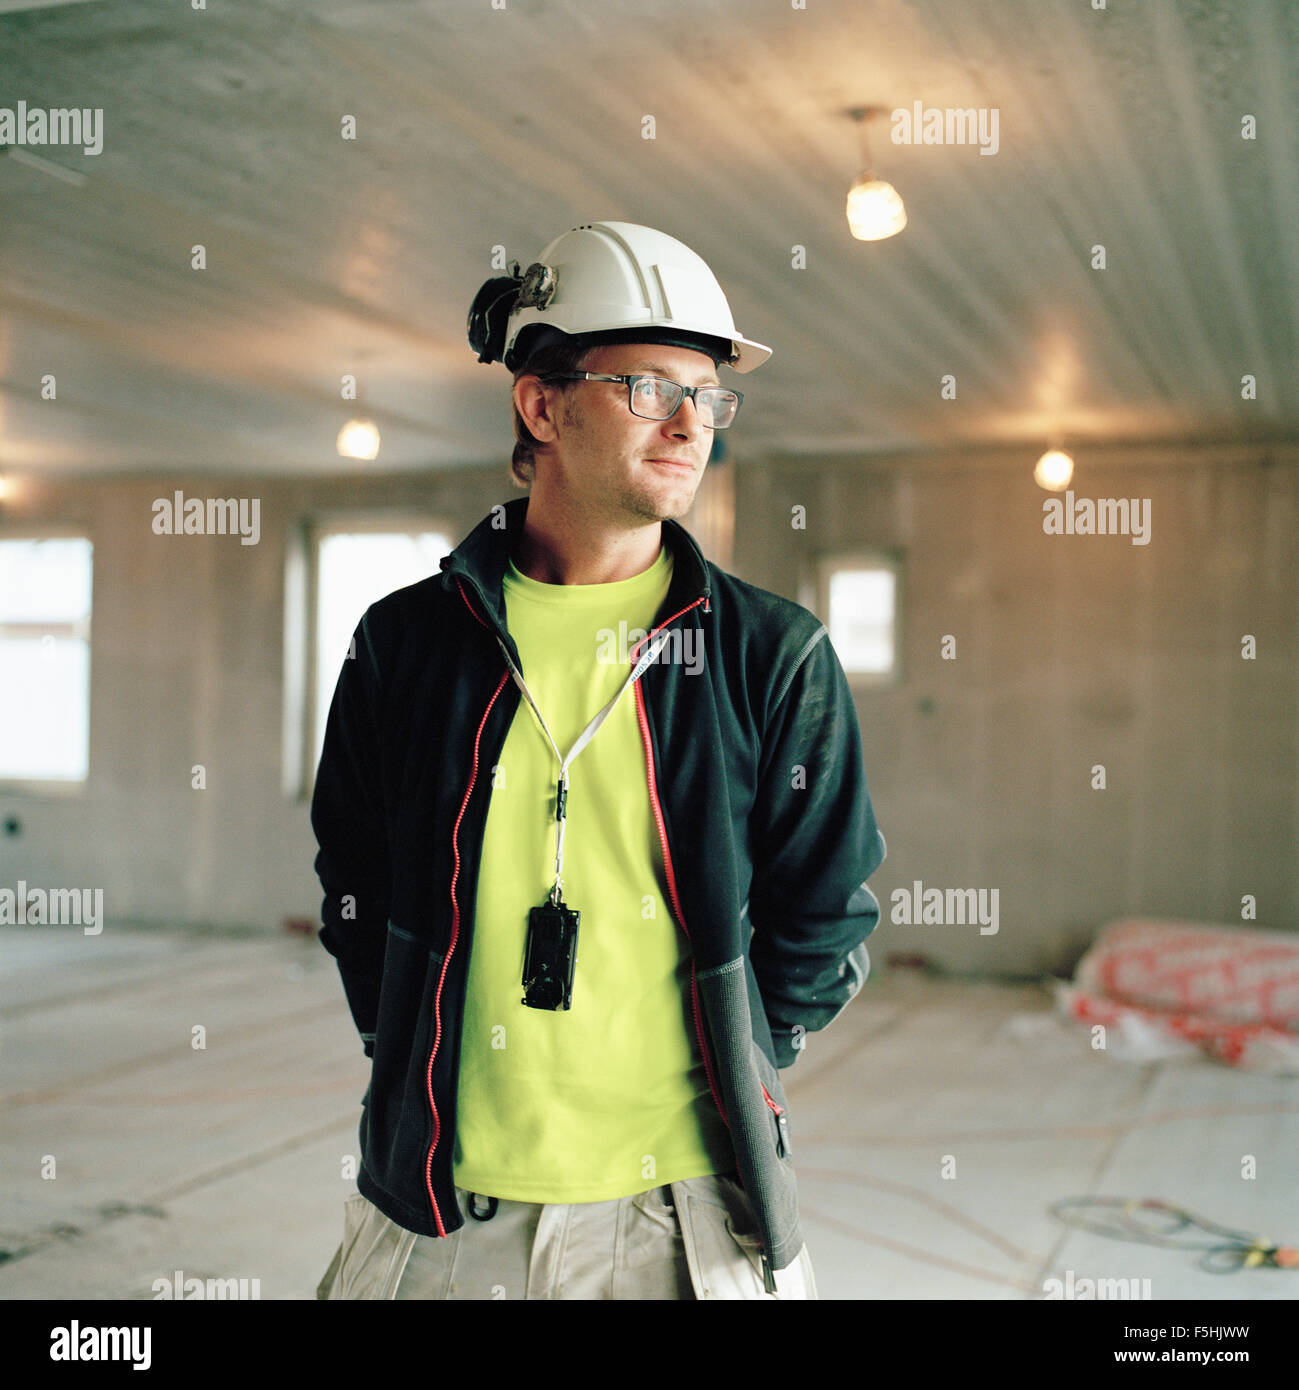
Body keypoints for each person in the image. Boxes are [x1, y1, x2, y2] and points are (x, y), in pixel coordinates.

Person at [311, 221, 886, 1300]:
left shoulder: (771, 652)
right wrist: (404, 1043)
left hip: (682, 1218)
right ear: (542, 402)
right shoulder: (405, 644)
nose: (689, 424)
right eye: (646, 387)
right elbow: (353, 871)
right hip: (438, 1209)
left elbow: (829, 911)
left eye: (710, 397)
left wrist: (742, 1056)